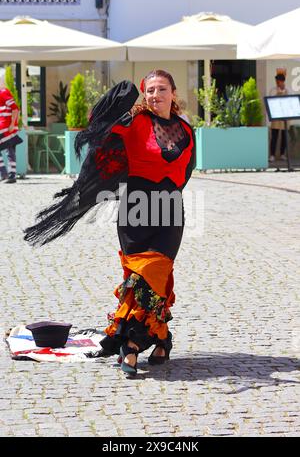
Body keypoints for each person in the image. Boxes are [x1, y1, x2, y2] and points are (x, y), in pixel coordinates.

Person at [24, 70, 196, 377]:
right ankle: (162, 339)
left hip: (170, 211)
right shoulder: (133, 124)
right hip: (135, 211)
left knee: (154, 276)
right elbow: (98, 129)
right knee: (140, 280)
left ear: (173, 92)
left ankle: (131, 346)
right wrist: (120, 100)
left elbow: (187, 171)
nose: (155, 95)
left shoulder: (186, 129)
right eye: (150, 90)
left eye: (161, 89)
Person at [0, 75, 22, 183]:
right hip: (5, 127)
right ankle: (8, 174)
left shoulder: (3, 92)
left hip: (6, 128)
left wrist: (13, 124)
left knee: (10, 150)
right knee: (10, 150)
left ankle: (7, 174)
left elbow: (15, 109)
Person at [268, 71, 290, 162]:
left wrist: (283, 91)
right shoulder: (273, 90)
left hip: (285, 115)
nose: (277, 83)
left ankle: (282, 154)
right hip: (276, 115)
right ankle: (272, 155)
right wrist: (278, 91)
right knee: (274, 136)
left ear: (283, 81)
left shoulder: (288, 90)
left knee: (284, 137)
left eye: (279, 81)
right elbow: (271, 99)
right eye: (276, 81)